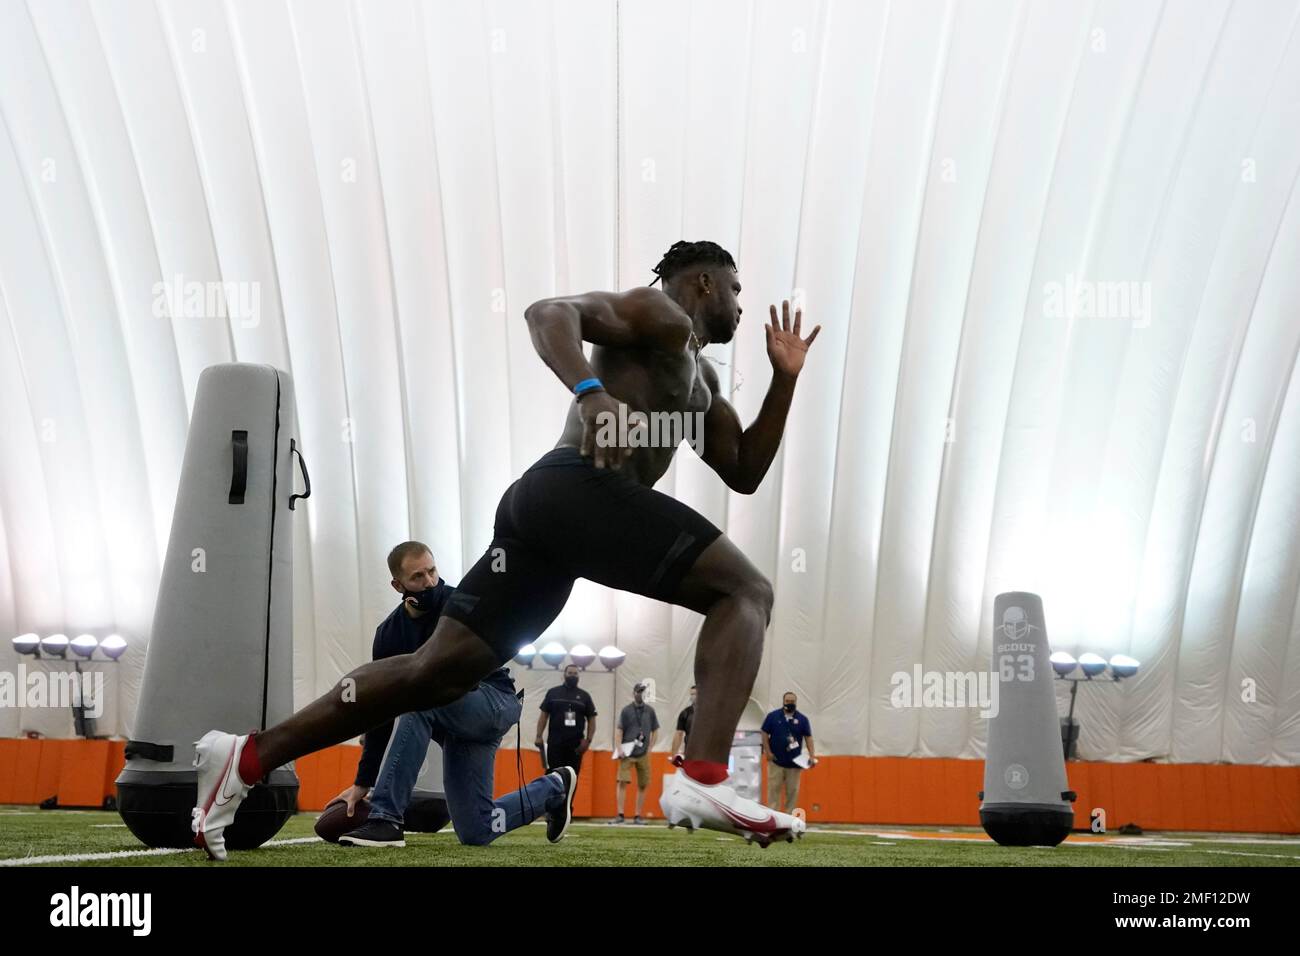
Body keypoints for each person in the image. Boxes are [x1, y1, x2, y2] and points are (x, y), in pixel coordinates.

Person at [192, 239, 821, 859]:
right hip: (573, 489)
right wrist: (589, 391)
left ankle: (246, 757)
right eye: (737, 289)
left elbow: (743, 468)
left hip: (547, 523)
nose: (743, 306)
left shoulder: (702, 380)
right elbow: (548, 312)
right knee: (746, 590)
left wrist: (784, 380)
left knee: (430, 673)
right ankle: (703, 778)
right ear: (706, 282)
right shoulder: (658, 314)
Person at [331, 542, 579, 847]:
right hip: (457, 724)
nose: (430, 582)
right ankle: (554, 788)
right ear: (398, 585)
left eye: (432, 571)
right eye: (418, 577)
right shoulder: (388, 635)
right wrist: (362, 782)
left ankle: (385, 819)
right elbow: (381, 709)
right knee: (477, 830)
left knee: (418, 697)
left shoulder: (460, 604)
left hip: (493, 700)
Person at [536, 663, 597, 779]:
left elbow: (592, 719)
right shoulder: (552, 693)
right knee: (552, 776)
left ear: (578, 676)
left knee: (571, 778)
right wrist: (538, 736)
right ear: (564, 675)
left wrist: (588, 740)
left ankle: (567, 798)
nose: (572, 676)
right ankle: (553, 798)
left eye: (575, 674)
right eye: (570, 673)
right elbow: (544, 715)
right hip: (554, 744)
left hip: (576, 746)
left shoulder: (585, 696)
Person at [761, 691, 815, 814]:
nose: (790, 704)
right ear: (783, 702)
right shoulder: (773, 716)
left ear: (795, 703)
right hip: (776, 762)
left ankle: (789, 821)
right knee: (773, 792)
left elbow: (808, 737)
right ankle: (772, 818)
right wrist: (768, 752)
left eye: (792, 702)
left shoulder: (802, 719)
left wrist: (812, 755)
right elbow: (764, 733)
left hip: (794, 764)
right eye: (788, 701)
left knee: (792, 793)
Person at [613, 682, 659, 824]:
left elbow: (655, 729)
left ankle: (637, 815)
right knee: (622, 781)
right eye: (639, 691)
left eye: (643, 692)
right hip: (627, 753)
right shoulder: (626, 710)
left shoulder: (650, 711)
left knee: (643, 784)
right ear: (634, 693)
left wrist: (651, 746)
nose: (641, 694)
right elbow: (619, 730)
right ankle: (620, 814)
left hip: (643, 753)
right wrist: (619, 748)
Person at [670, 685, 696, 760]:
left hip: (706, 754)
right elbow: (679, 734)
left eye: (695, 694)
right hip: (690, 754)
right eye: (692, 694)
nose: (693, 696)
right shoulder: (685, 713)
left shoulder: (709, 713)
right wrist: (674, 755)